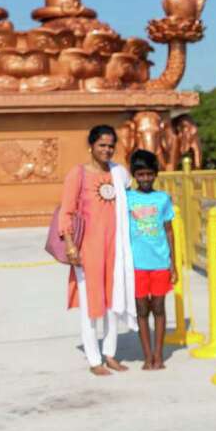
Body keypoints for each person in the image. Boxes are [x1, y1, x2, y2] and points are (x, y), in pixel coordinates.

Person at [59, 125, 136, 376]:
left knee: (115, 299)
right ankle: (94, 359)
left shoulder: (119, 173)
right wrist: (70, 244)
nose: (107, 150)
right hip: (87, 249)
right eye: (102, 145)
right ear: (91, 145)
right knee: (92, 301)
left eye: (111, 145)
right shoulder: (78, 174)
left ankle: (110, 353)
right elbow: (66, 212)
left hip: (116, 248)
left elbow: (131, 201)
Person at [125, 149, 177, 370]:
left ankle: (159, 355)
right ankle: (147, 356)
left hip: (159, 263)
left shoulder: (163, 199)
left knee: (159, 307)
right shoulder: (127, 198)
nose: (145, 179)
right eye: (140, 174)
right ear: (134, 175)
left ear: (155, 174)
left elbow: (169, 231)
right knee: (142, 310)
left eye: (149, 174)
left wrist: (173, 264)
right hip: (136, 264)